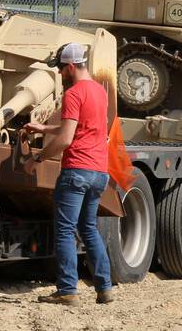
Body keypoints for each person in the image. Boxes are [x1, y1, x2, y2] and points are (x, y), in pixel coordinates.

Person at [23, 42, 115, 305]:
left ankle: (67, 291)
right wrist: (42, 128)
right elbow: (81, 128)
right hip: (99, 172)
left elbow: (66, 139)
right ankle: (104, 288)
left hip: (77, 171)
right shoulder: (100, 92)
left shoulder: (74, 94)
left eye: (62, 68)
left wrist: (38, 158)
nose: (61, 73)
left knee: (64, 230)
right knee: (88, 228)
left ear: (72, 66)